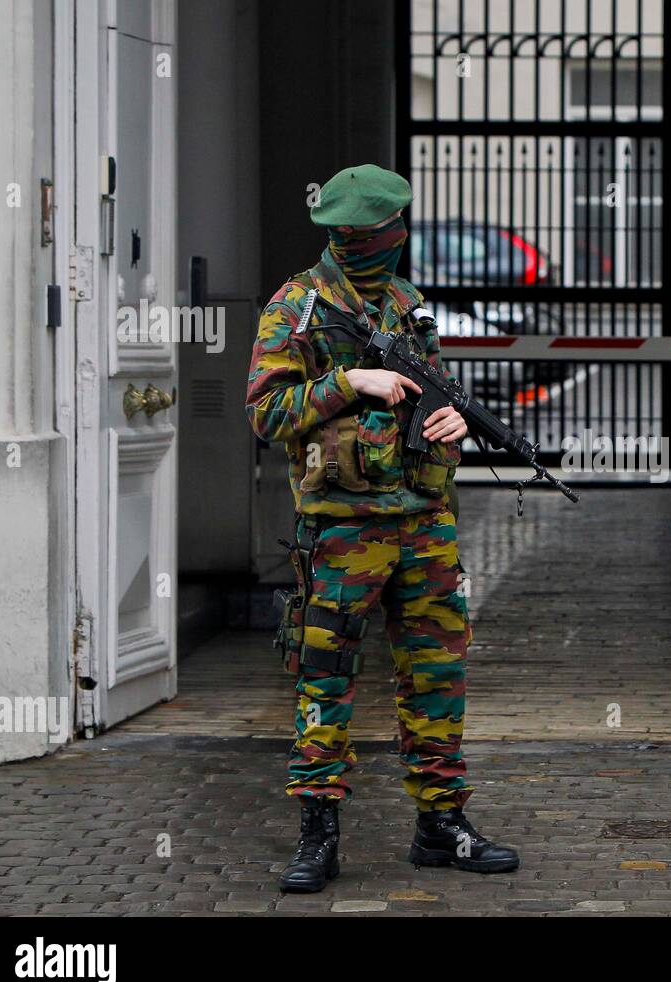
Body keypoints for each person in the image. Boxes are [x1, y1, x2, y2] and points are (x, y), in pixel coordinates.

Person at [246, 163, 518, 893]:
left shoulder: (406, 302)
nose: (392, 244)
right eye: (378, 236)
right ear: (349, 235)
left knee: (436, 678)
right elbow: (266, 411)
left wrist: (453, 418)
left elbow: (433, 387)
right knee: (325, 682)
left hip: (424, 523)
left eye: (395, 232)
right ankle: (317, 833)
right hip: (340, 532)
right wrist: (348, 382)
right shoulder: (296, 306)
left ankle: (442, 824)